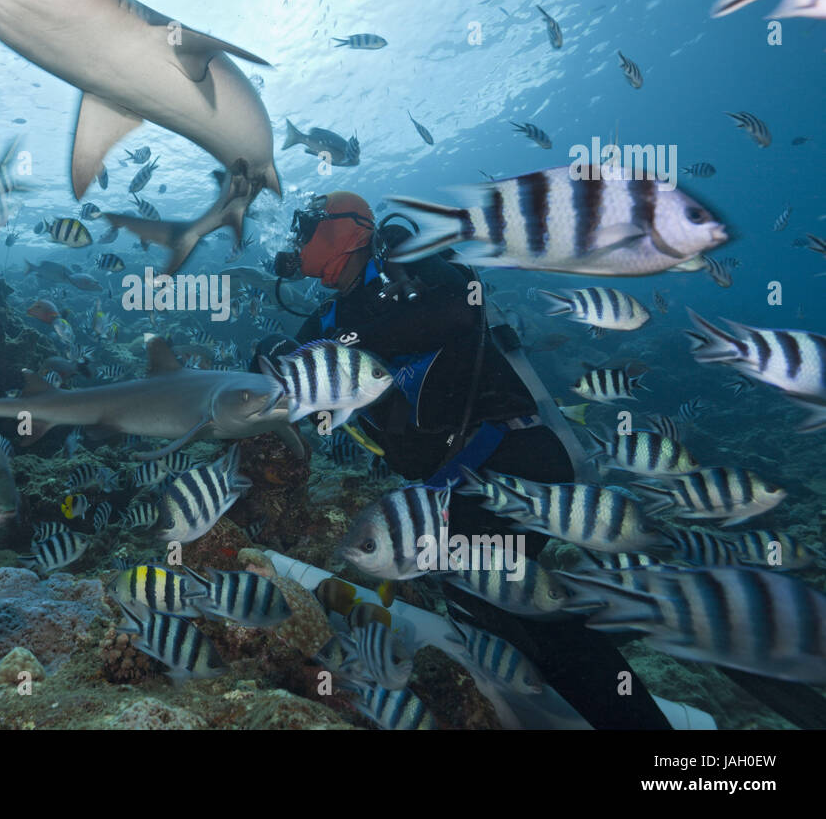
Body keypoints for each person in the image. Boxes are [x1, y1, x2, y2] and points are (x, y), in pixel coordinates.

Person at [264, 190, 674, 729]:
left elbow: (461, 309)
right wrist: (270, 364)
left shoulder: (406, 263)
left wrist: (345, 340)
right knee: (489, 602)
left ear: (348, 230)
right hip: (458, 483)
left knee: (507, 604)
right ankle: (602, 652)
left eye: (305, 226)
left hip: (515, 457)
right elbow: (283, 383)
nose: (296, 240)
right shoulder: (328, 318)